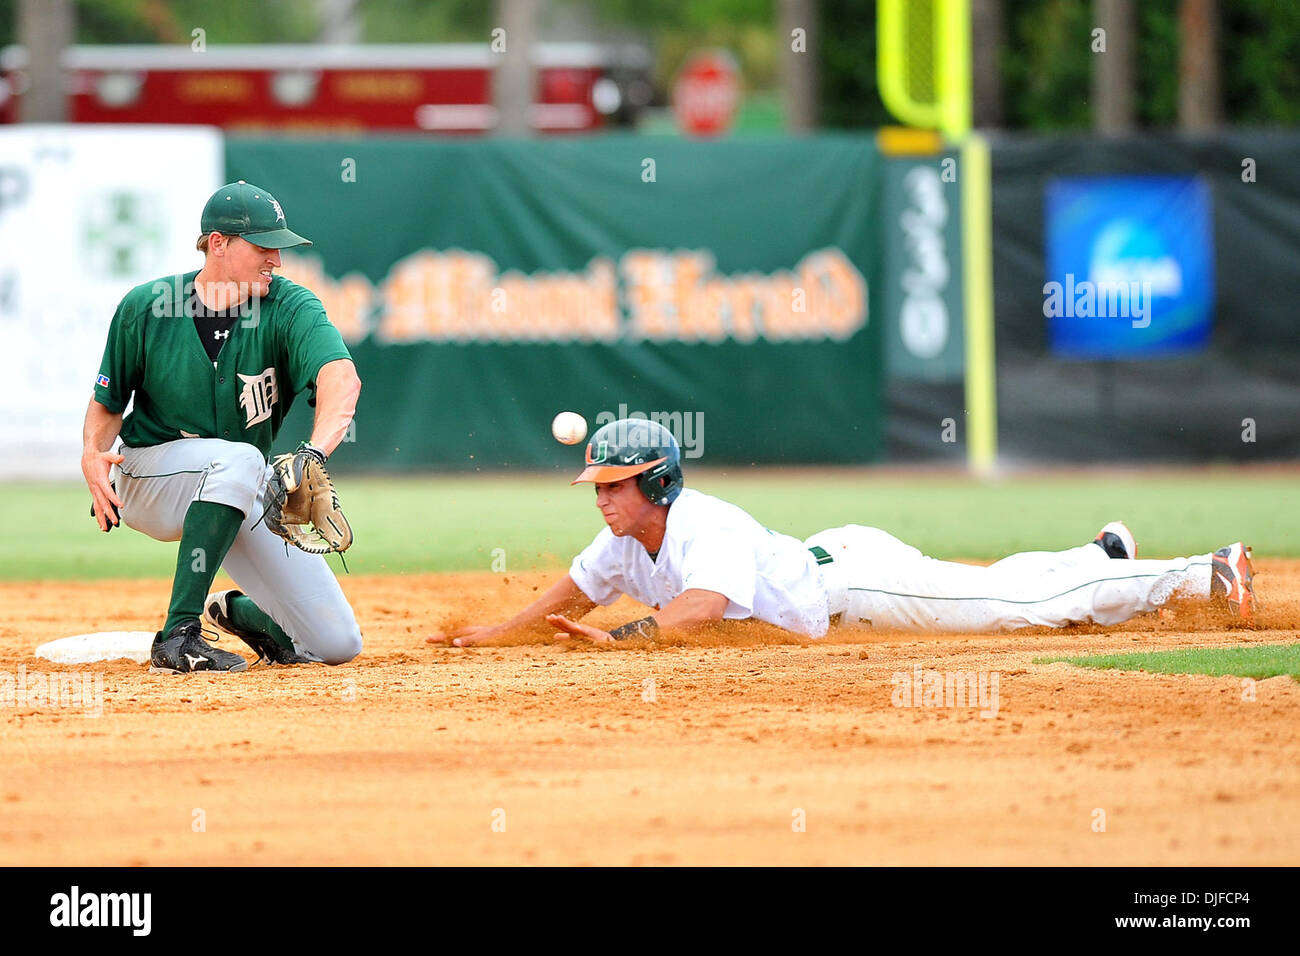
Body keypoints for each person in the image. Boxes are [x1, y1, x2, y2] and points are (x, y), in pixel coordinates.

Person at [427, 418, 1255, 646]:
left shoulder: (700, 524)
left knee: (1012, 604)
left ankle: (1199, 573)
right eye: (597, 485)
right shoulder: (621, 540)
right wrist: (497, 635)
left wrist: (625, 639)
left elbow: (704, 607)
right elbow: (572, 589)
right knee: (996, 581)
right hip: (842, 561)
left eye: (613, 485)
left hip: (853, 584)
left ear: (657, 483)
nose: (600, 498)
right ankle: (1100, 557)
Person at [81, 181, 364, 673]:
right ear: (218, 243)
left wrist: (315, 453)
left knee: (337, 644)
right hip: (149, 478)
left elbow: (341, 377)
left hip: (238, 484)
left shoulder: (289, 306)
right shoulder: (147, 306)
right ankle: (178, 636)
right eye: (263, 245)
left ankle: (239, 612)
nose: (276, 258)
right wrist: (91, 454)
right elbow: (108, 402)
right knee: (239, 458)